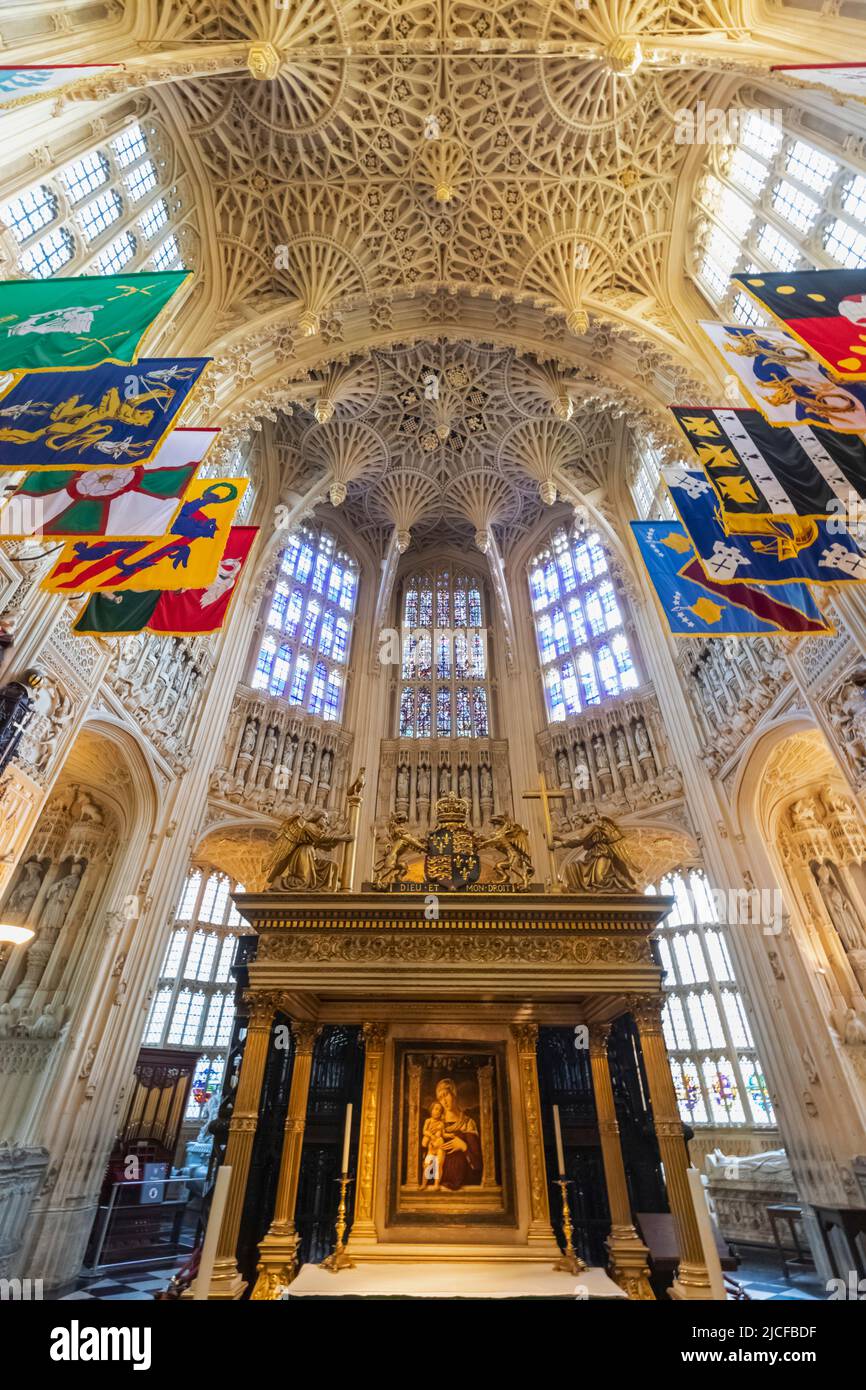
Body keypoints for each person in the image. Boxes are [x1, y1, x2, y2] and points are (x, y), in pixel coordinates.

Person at [433, 1077, 482, 1190]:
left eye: (446, 1095)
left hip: (465, 1185)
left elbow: (477, 1165)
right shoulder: (437, 1124)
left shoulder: (468, 1123)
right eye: (440, 1098)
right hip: (440, 1185)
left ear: (453, 1093)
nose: (444, 1101)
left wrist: (463, 1146)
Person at [421, 1100, 447, 1189]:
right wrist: (431, 1135)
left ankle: (436, 1184)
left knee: (439, 1164)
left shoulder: (441, 1123)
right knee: (427, 1164)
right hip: (431, 1147)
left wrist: (450, 1134)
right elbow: (424, 1131)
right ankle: (424, 1184)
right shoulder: (428, 1121)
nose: (438, 1112)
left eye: (440, 1110)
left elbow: (443, 1134)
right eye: (436, 1109)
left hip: (440, 1146)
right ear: (431, 1110)